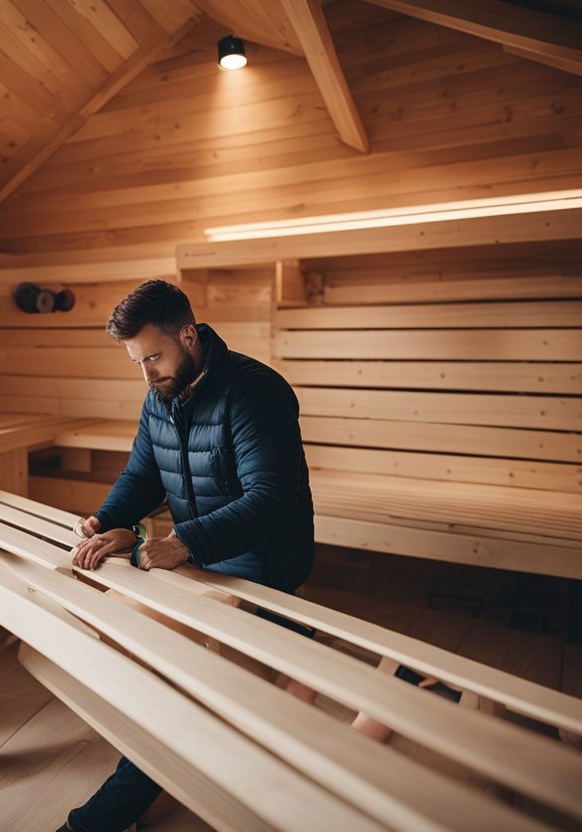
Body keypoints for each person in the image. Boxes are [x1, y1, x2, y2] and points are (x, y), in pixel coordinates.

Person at [58, 279, 388, 832]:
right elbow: (144, 473)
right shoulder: (160, 393)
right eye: (137, 361)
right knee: (143, 663)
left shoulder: (255, 391)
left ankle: (93, 825)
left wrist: (184, 542)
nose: (147, 373)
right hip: (202, 565)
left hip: (260, 572)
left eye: (155, 356)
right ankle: (271, 684)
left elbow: (274, 501)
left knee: (180, 692)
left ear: (189, 334)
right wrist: (107, 520)